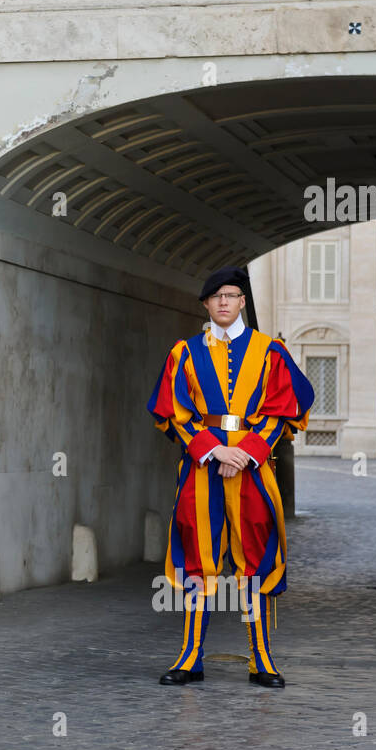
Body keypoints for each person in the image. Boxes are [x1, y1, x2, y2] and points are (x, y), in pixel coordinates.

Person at [145, 265, 314, 688]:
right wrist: (214, 449)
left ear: (242, 302)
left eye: (231, 295)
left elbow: (283, 412)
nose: (223, 302)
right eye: (215, 296)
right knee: (197, 558)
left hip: (252, 471)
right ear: (205, 303)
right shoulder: (183, 353)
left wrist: (245, 453)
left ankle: (262, 659)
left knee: (255, 557)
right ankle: (189, 657)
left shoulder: (271, 351)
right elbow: (174, 413)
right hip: (202, 469)